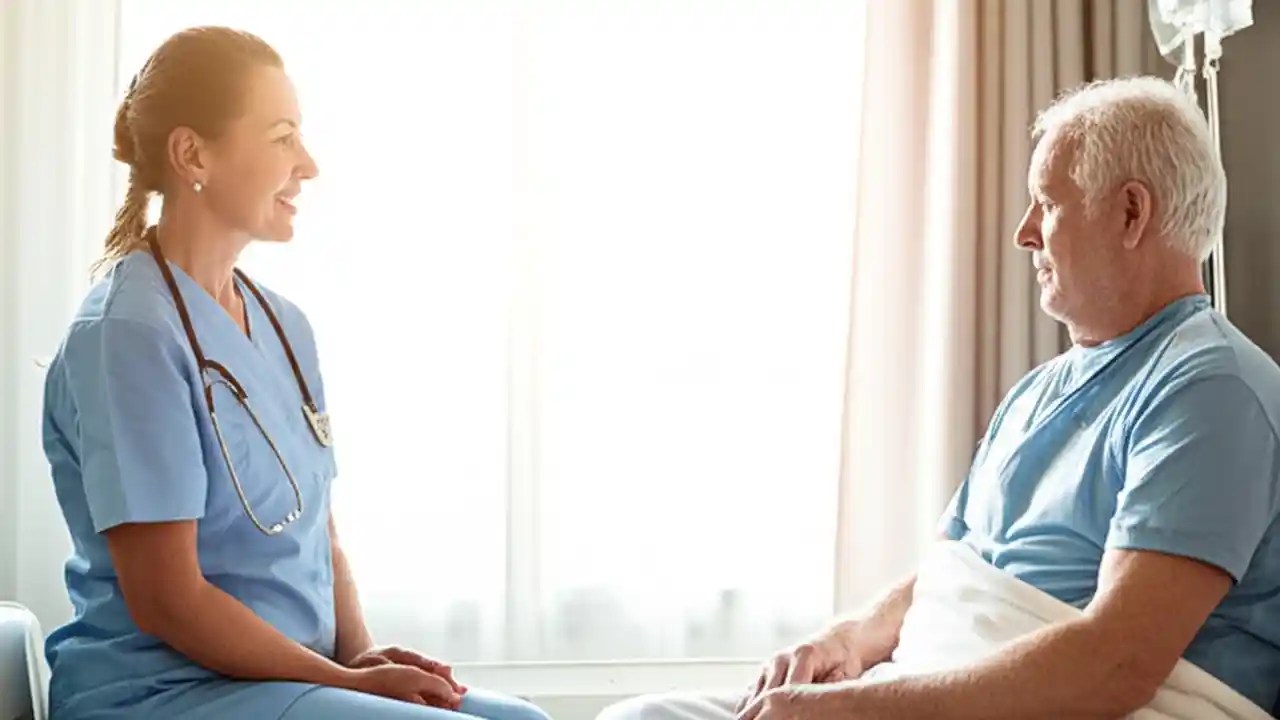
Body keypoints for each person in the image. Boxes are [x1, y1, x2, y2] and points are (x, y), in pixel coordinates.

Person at [600, 76, 1280, 720]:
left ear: (1132, 213)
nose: (1025, 232)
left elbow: (1116, 663)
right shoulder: (1041, 390)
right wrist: (852, 639)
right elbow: (957, 568)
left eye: (1047, 203)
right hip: (932, 685)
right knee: (640, 715)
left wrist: (848, 711)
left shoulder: (1209, 391)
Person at [40, 26, 551, 720]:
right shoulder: (128, 337)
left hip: (290, 680)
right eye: (282, 138)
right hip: (163, 694)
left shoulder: (283, 325)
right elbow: (168, 600)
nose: (307, 164)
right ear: (193, 153)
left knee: (523, 719)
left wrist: (359, 656)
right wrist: (349, 686)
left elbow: (319, 530)